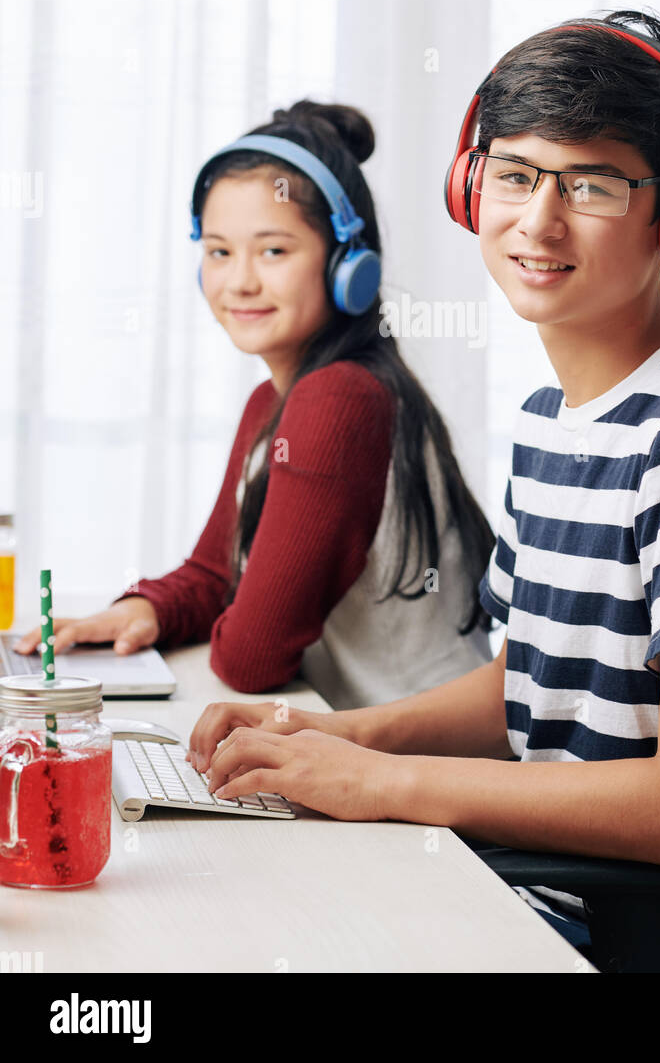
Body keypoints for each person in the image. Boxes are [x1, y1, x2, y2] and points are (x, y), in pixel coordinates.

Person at [187, 14, 660, 975]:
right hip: (555, 904)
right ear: (470, 187)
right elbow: (526, 682)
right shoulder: (551, 417)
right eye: (517, 174)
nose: (540, 220)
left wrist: (386, 781)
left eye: (593, 184)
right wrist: (333, 737)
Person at [16, 101, 494, 706]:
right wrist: (149, 609)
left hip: (415, 771)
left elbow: (252, 657)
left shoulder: (340, 400)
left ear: (350, 264)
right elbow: (217, 574)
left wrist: (227, 612)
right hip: (345, 745)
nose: (239, 281)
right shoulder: (273, 401)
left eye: (273, 251)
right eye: (219, 251)